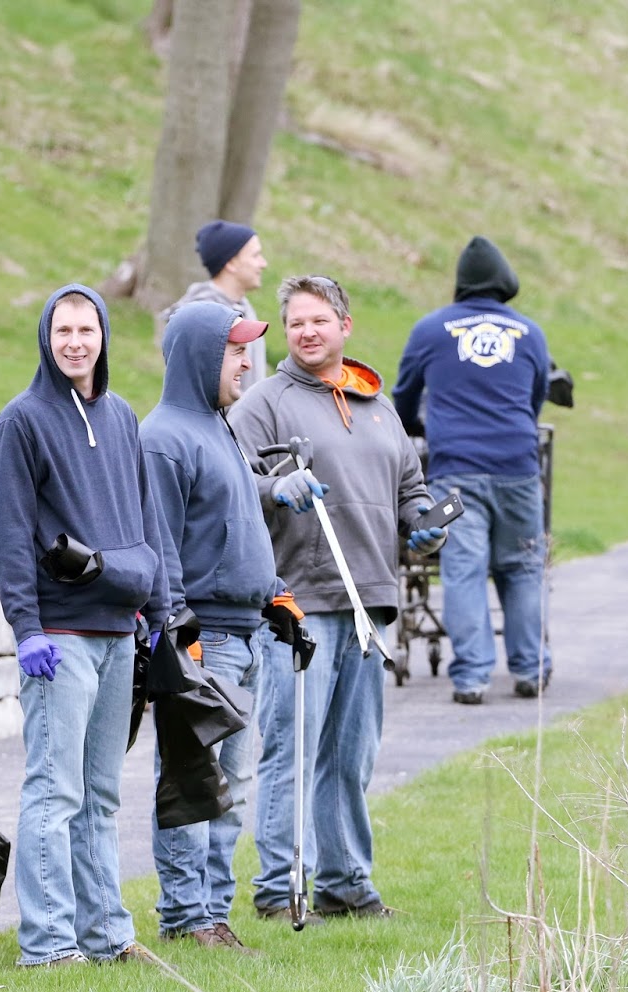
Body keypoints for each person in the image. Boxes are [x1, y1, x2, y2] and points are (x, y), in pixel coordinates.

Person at [229, 274, 437, 921]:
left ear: (345, 326)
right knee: (293, 750)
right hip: (300, 606)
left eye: (319, 320)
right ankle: (278, 888)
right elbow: (230, 483)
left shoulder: (378, 404)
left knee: (351, 755)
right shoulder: (262, 405)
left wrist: (422, 520)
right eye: (296, 322)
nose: (307, 332)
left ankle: (346, 883)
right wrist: (274, 490)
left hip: (369, 602)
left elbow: (410, 488)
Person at [0, 284, 172, 966]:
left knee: (101, 795)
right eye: (62, 330)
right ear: (46, 336)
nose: (74, 342)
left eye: (85, 330)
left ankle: (107, 936)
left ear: (103, 337)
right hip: (59, 637)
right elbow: (10, 533)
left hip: (120, 633)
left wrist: (158, 611)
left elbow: (148, 520)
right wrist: (26, 627)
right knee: (54, 792)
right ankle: (47, 942)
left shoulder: (123, 416)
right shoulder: (21, 422)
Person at [140, 300, 277, 952]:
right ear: (200, 355)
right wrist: (176, 630)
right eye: (235, 350)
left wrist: (275, 594)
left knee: (232, 787)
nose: (246, 363)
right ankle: (185, 916)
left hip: (245, 633)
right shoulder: (164, 438)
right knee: (192, 781)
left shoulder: (221, 428)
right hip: (204, 638)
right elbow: (159, 543)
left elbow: (239, 528)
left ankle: (214, 915)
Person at [392, 236, 553, 705]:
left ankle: (472, 677)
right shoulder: (530, 333)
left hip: (455, 470)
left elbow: (404, 395)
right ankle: (530, 668)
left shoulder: (430, 330)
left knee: (463, 570)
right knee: (522, 568)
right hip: (519, 467)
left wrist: (419, 424)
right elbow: (536, 398)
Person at [167, 220, 269, 390]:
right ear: (231, 263)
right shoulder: (203, 320)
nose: (263, 264)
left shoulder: (244, 307)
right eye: (255, 256)